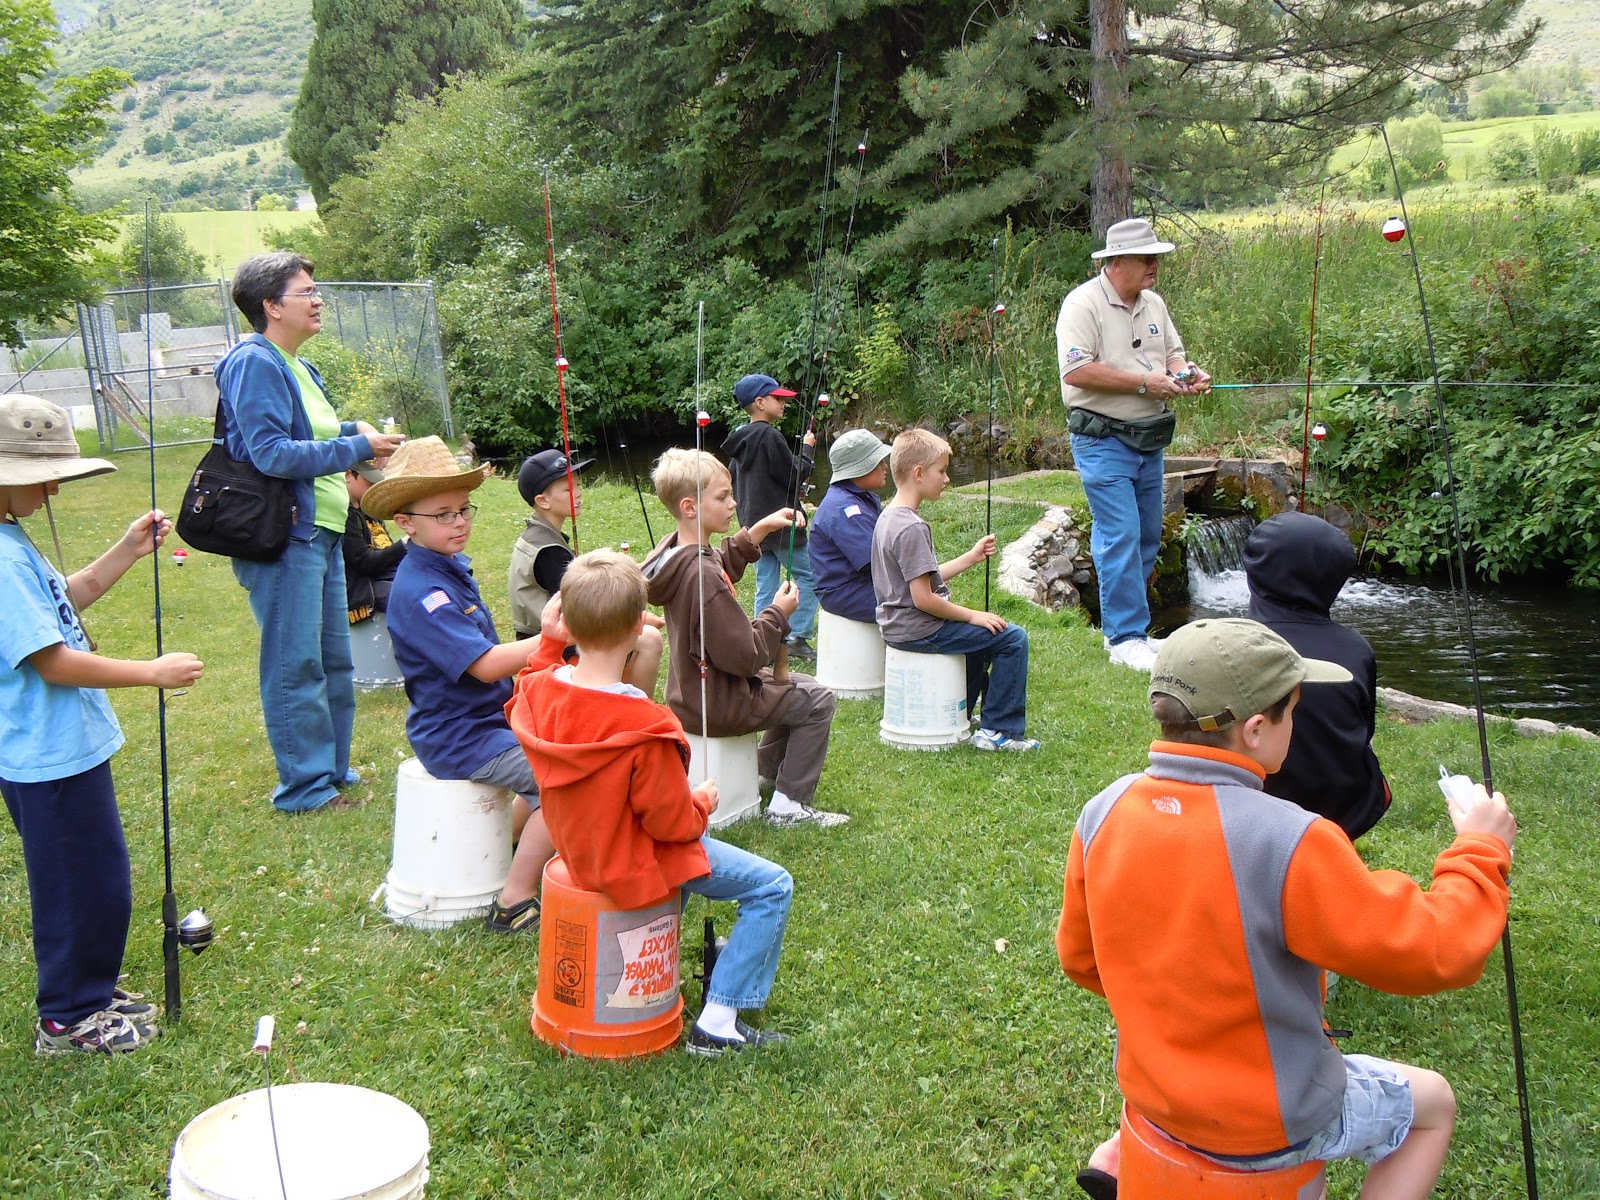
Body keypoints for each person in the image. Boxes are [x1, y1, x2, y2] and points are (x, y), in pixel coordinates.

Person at [1058, 618, 1515, 1200]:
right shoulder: (1293, 840)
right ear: (1254, 729)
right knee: (1432, 1107)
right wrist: (1481, 848)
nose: (1294, 726)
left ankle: (1122, 1157)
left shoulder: (1104, 811)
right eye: (1292, 713)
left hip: (1159, 1099)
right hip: (1269, 1125)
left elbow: (1081, 961)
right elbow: (1435, 949)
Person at [506, 549, 795, 1056]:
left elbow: (529, 684)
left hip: (579, 852)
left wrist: (550, 647)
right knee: (772, 886)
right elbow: (671, 826)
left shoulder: (536, 693)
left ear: (566, 622)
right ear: (640, 628)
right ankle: (719, 1021)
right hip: (635, 860)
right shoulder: (645, 727)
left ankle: (652, 969)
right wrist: (700, 803)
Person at [0, 395, 205, 1055]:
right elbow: (52, 661)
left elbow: (67, 597)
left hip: (68, 752)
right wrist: (151, 672)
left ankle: (90, 986)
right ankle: (66, 1018)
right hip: (46, 756)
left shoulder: (12, 542)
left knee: (100, 878)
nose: (55, 485)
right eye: (41, 475)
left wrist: (126, 549)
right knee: (73, 887)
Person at [218, 251, 405, 813]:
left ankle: (332, 771)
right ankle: (304, 788)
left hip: (320, 532)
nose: (319, 299)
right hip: (284, 537)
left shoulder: (296, 363)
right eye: (306, 292)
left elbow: (309, 430)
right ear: (271, 306)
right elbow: (271, 453)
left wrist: (353, 427)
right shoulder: (253, 361)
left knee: (333, 660)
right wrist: (356, 447)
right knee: (294, 662)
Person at [365, 437, 555, 933]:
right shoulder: (422, 591)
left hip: (490, 722)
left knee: (566, 749)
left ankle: (507, 845)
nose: (460, 522)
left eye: (464, 509)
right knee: (566, 778)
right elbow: (486, 665)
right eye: (443, 514)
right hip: (459, 738)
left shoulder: (446, 567)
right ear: (405, 522)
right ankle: (513, 901)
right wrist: (559, 634)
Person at [642, 448, 847, 827]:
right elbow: (747, 657)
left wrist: (760, 529)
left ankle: (765, 772)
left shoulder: (677, 553)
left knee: (797, 687)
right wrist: (778, 614)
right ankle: (789, 804)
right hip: (720, 703)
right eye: (722, 497)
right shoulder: (701, 575)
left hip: (691, 696)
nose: (734, 503)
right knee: (817, 699)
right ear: (690, 507)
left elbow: (718, 567)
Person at [1055, 218, 1211, 672]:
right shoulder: (1082, 304)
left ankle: (1133, 633)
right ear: (1115, 261)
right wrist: (1146, 383)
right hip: (1102, 440)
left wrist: (1186, 374)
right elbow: (1076, 372)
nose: (1154, 266)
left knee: (1145, 536)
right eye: (1146, 259)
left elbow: (1174, 353)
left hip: (1149, 439)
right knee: (1119, 534)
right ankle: (1122, 637)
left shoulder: (1154, 303)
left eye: (1156, 258)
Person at [871, 429, 1039, 752]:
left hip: (897, 628)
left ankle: (961, 712)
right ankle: (999, 730)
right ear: (919, 474)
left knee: (975, 642)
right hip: (920, 630)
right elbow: (923, 599)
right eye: (942, 471)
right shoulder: (912, 528)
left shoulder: (888, 518)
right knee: (1012, 638)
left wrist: (972, 558)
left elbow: (920, 580)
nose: (946, 479)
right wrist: (973, 616)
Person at [1244, 511, 1391, 840]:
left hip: (1258, 811)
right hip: (1344, 813)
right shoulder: (1356, 649)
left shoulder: (1230, 645)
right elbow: (1364, 729)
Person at [508, 448, 662, 695]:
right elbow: (581, 609)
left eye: (578, 485)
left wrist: (637, 567)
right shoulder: (549, 552)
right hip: (558, 651)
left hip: (553, 640)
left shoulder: (539, 535)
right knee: (649, 638)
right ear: (543, 501)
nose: (578, 493)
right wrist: (634, 619)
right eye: (568, 489)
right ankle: (630, 711)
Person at [723, 373, 818, 662]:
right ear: (761, 402)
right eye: (778, 399)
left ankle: (763, 638)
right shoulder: (770, 436)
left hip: (755, 529)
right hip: (784, 523)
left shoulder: (739, 440)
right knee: (809, 577)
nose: (784, 404)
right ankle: (798, 637)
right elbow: (795, 476)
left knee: (767, 582)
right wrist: (808, 449)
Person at [809, 428, 892, 624]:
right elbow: (875, 562)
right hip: (846, 592)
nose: (885, 466)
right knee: (915, 603)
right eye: (879, 461)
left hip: (860, 584)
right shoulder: (845, 509)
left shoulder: (857, 497)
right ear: (861, 467)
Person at [342, 460, 406, 625]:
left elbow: (383, 547)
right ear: (348, 475)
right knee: (412, 598)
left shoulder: (368, 509)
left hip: (389, 573)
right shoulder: (344, 516)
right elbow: (365, 562)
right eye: (369, 481)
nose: (374, 486)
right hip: (367, 586)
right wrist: (403, 545)